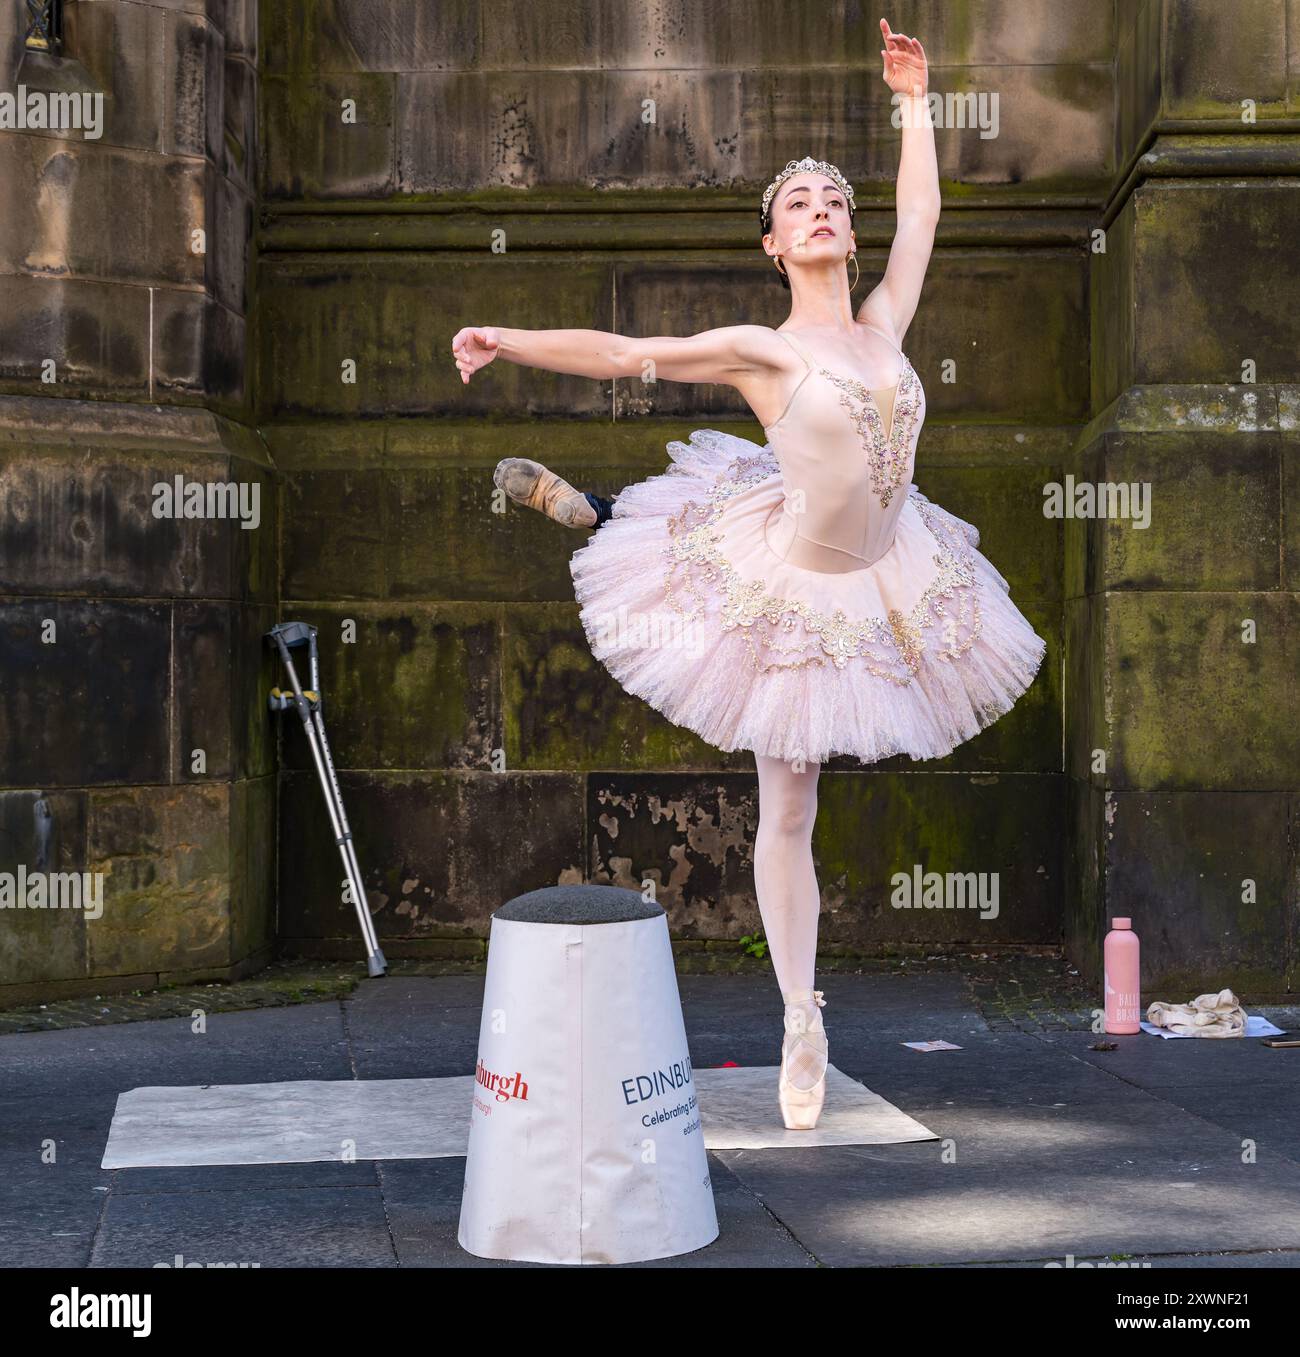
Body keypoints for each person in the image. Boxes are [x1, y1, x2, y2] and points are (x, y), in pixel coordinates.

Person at [451, 20, 1046, 1130]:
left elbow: (922, 215)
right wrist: (510, 337)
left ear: (848, 237)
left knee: (800, 795)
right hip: (789, 580)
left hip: (893, 568)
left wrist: (916, 100)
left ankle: (588, 508)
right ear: (773, 245)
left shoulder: (883, 324)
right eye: (798, 204)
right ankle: (800, 1016)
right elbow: (631, 353)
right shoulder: (766, 349)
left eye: (833, 201)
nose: (821, 209)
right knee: (790, 801)